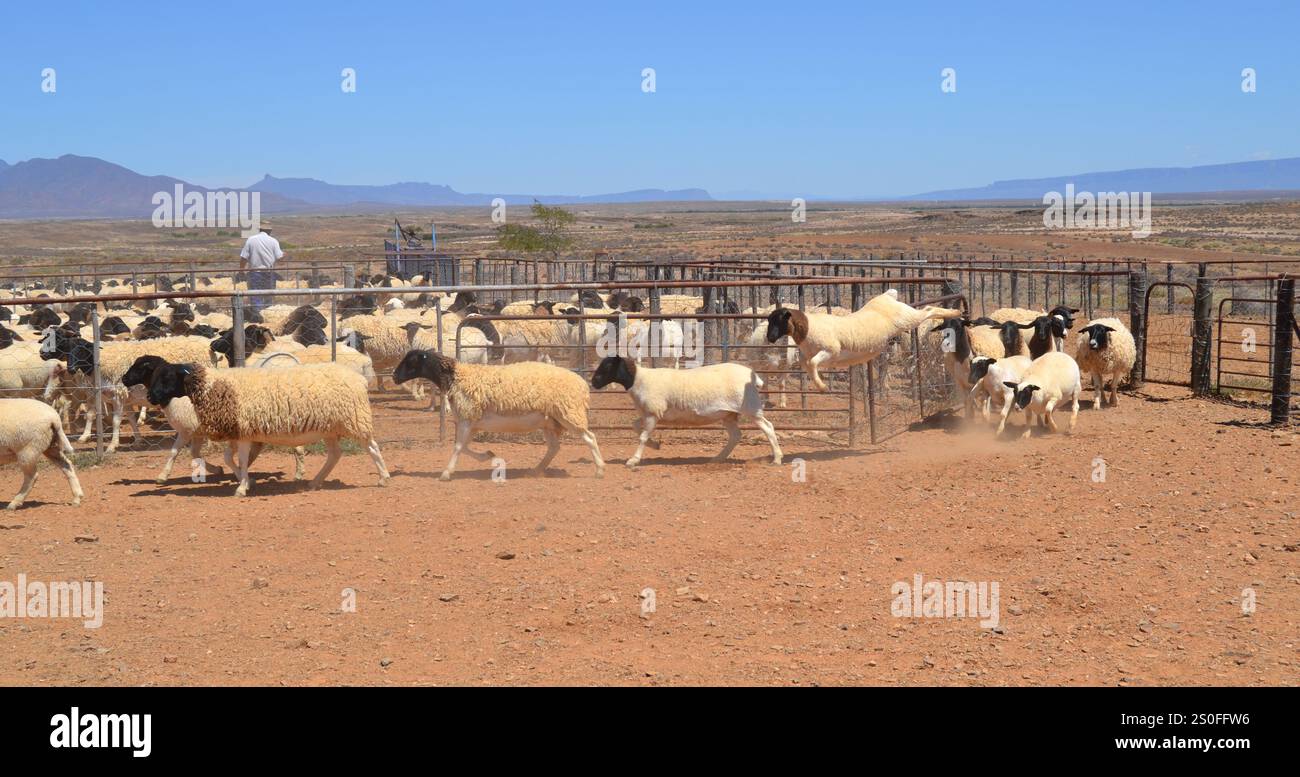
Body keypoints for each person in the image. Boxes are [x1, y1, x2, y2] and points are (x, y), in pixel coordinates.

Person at [239, 221, 284, 312]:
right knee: (269, 295)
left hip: (255, 272)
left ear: (259, 229)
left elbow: (244, 257)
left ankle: (257, 314)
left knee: (255, 295)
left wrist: (241, 270)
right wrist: (284, 256)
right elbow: (280, 260)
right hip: (269, 272)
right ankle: (268, 313)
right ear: (270, 231)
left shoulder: (251, 240)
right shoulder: (273, 241)